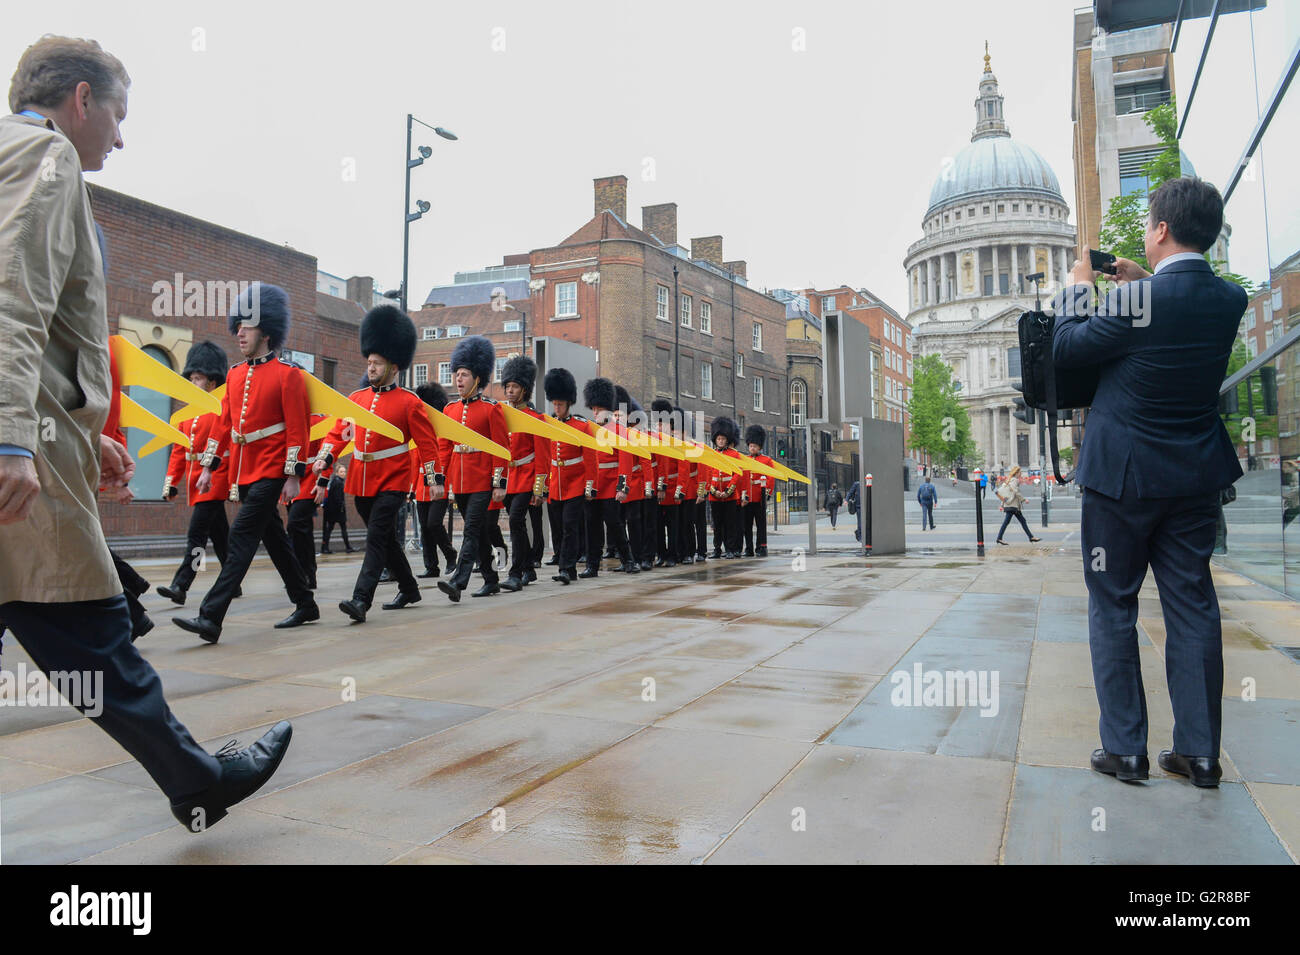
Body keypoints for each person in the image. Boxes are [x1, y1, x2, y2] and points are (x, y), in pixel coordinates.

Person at [0, 35, 289, 829]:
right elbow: (14, 299)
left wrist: (83, 430)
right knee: (90, 632)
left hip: (45, 438)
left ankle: (193, 775)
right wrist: (13, 440)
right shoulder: (45, 158)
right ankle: (196, 777)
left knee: (80, 630)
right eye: (118, 116)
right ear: (81, 100)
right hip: (19, 461)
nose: (120, 138)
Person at [1054, 177, 1246, 789]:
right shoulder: (1231, 299)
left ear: (1160, 229)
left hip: (1122, 479)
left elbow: (1066, 349)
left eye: (1148, 226)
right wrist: (1142, 284)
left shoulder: (1130, 305)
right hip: (1194, 477)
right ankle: (1200, 754)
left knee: (1113, 603)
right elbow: (1171, 325)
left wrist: (1080, 289)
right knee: (1193, 605)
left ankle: (1126, 750)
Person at [172, 283, 319, 643]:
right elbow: (224, 426)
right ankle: (305, 601)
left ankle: (210, 617)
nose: (239, 332)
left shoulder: (289, 375)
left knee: (240, 538)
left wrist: (293, 474)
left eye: (247, 327)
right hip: (244, 469)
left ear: (266, 332)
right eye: (238, 326)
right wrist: (209, 466)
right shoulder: (236, 375)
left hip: (271, 469)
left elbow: (298, 429)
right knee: (275, 540)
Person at [318, 305, 440, 623]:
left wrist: (433, 478)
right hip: (362, 478)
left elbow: (427, 443)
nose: (370, 367)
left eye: (377, 362)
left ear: (393, 365)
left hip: (394, 478)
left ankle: (361, 599)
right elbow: (339, 433)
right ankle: (410, 587)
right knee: (383, 537)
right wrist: (325, 457)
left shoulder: (409, 402)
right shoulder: (357, 399)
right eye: (369, 362)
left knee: (375, 536)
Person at [157, 341, 233, 604]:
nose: (192, 382)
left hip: (214, 480)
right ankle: (232, 581)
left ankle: (181, 585)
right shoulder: (188, 413)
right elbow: (180, 450)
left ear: (212, 382)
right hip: (196, 482)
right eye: (191, 378)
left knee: (197, 536)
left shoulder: (221, 407)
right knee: (221, 537)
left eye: (197, 378)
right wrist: (171, 482)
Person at [437, 336, 509, 601]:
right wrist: (440, 479)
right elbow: (444, 447)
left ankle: (458, 581)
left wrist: (499, 483)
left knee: (470, 531)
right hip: (460, 479)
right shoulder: (449, 409)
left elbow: (501, 448)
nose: (458, 379)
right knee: (476, 533)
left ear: (477, 378)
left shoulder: (492, 409)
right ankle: (491, 579)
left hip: (482, 480)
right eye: (456, 374)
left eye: (464, 374)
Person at [499, 356, 548, 592]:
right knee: (516, 525)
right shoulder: (501, 414)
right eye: (507, 386)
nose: (510, 391)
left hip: (527, 475)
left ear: (524, 390)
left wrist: (539, 489)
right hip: (508, 477)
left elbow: (542, 456)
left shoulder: (535, 418)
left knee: (516, 520)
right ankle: (529, 568)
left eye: (514, 387)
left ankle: (515, 573)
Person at [544, 367, 596, 584]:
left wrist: (590, 486)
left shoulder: (582, 426)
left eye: (561, 404)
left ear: (568, 403)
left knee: (570, 526)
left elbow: (590, 458)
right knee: (558, 527)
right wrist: (545, 483)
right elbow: (546, 456)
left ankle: (568, 567)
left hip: (575, 483)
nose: (557, 408)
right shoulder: (548, 424)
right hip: (556, 483)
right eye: (555, 404)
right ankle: (565, 566)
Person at [581, 377, 636, 575]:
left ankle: (628, 560)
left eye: (599, 409)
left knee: (614, 525)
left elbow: (625, 460)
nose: (595, 412)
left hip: (611, 484)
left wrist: (623, 487)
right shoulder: (589, 430)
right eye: (593, 409)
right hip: (593, 485)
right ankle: (592, 565)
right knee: (592, 526)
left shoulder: (620, 430)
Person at [412, 383, 457, 577]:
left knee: (433, 523)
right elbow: (415, 459)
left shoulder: (443, 430)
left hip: (440, 483)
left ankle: (450, 553)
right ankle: (431, 566)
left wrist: (450, 486)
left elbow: (448, 459)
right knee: (425, 528)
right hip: (422, 485)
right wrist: (412, 487)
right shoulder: (420, 429)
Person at [286, 413, 329, 589]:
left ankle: (305, 572)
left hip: (311, 478)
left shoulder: (321, 420)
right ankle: (305, 573)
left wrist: (323, 480)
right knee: (300, 530)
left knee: (296, 525)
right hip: (291, 478)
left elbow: (327, 451)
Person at [707, 416, 744, 558]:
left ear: (727, 439)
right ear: (715, 440)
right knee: (717, 525)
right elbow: (709, 473)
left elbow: (737, 474)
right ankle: (717, 549)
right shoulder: (712, 454)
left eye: (723, 439)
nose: (721, 441)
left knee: (730, 524)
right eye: (718, 439)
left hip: (730, 494)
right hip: (715, 495)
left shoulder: (734, 454)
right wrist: (714, 491)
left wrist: (728, 491)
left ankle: (729, 549)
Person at [742, 425, 775, 557]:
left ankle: (761, 547)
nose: (752, 448)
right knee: (746, 525)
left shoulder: (766, 460)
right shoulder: (745, 460)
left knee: (761, 525)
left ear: (760, 447)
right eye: (750, 446)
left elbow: (771, 477)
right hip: (748, 497)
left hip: (759, 496)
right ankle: (749, 548)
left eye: (755, 446)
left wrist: (766, 493)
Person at [994, 465, 1040, 544]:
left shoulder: (1008, 480)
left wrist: (1002, 504)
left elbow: (1005, 494)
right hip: (1013, 506)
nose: (1021, 474)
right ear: (1017, 473)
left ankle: (1031, 537)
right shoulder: (1015, 480)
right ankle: (1031, 537)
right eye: (1020, 472)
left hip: (1010, 505)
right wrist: (1024, 499)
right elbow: (1015, 491)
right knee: (1017, 521)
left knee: (1020, 521)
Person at [320, 463, 354, 553]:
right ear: (337, 472)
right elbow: (337, 498)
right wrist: (341, 508)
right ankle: (347, 547)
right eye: (341, 472)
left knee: (330, 529)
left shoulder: (335, 481)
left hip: (333, 511)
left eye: (344, 471)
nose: (343, 473)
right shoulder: (338, 482)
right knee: (340, 529)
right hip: (337, 511)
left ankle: (326, 548)